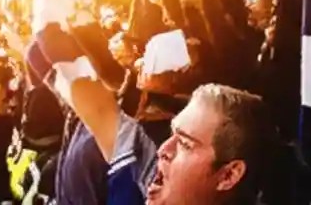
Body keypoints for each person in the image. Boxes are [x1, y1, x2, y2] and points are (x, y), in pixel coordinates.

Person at [69, 78, 278, 205]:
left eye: (186, 144)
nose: (163, 150)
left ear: (228, 175)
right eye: (172, 135)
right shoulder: (147, 182)